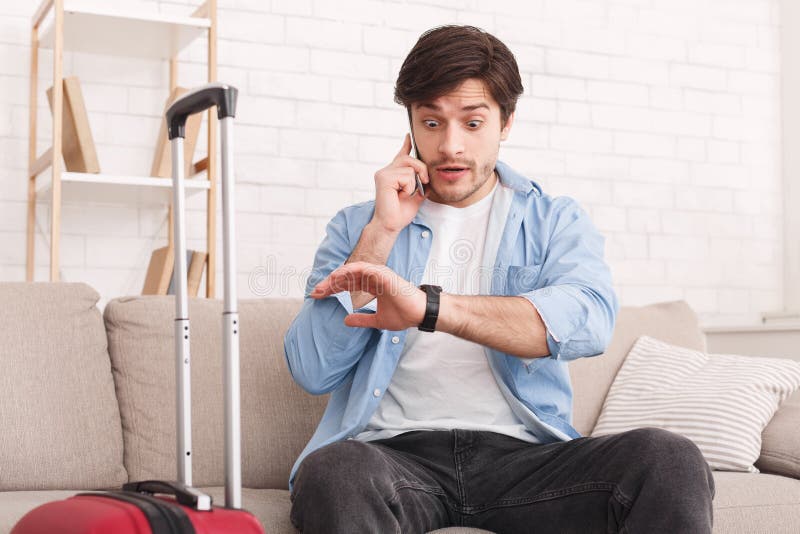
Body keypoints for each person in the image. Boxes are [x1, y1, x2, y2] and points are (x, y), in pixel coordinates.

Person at [284, 25, 714, 534]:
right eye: (431, 122)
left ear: (506, 122)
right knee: (332, 471)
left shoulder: (554, 221)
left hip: (526, 462)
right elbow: (312, 370)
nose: (450, 146)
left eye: (472, 122)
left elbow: (588, 322)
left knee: (668, 459)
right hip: (395, 458)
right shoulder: (358, 225)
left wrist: (431, 308)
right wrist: (380, 233)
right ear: (410, 128)